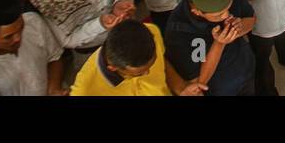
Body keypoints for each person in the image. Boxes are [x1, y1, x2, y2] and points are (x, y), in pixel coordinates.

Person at [163, 0, 258, 96]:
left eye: (228, 8)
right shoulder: (179, 32)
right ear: (197, 11)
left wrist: (238, 27)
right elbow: (199, 82)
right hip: (220, 89)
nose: (226, 15)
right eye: (219, 14)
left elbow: (251, 19)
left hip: (245, 70)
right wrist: (219, 43)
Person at [70, 18, 205, 96]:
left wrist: (181, 88)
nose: (147, 73)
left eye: (150, 65)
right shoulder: (84, 90)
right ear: (112, 68)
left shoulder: (150, 32)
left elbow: (163, 64)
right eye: (139, 73)